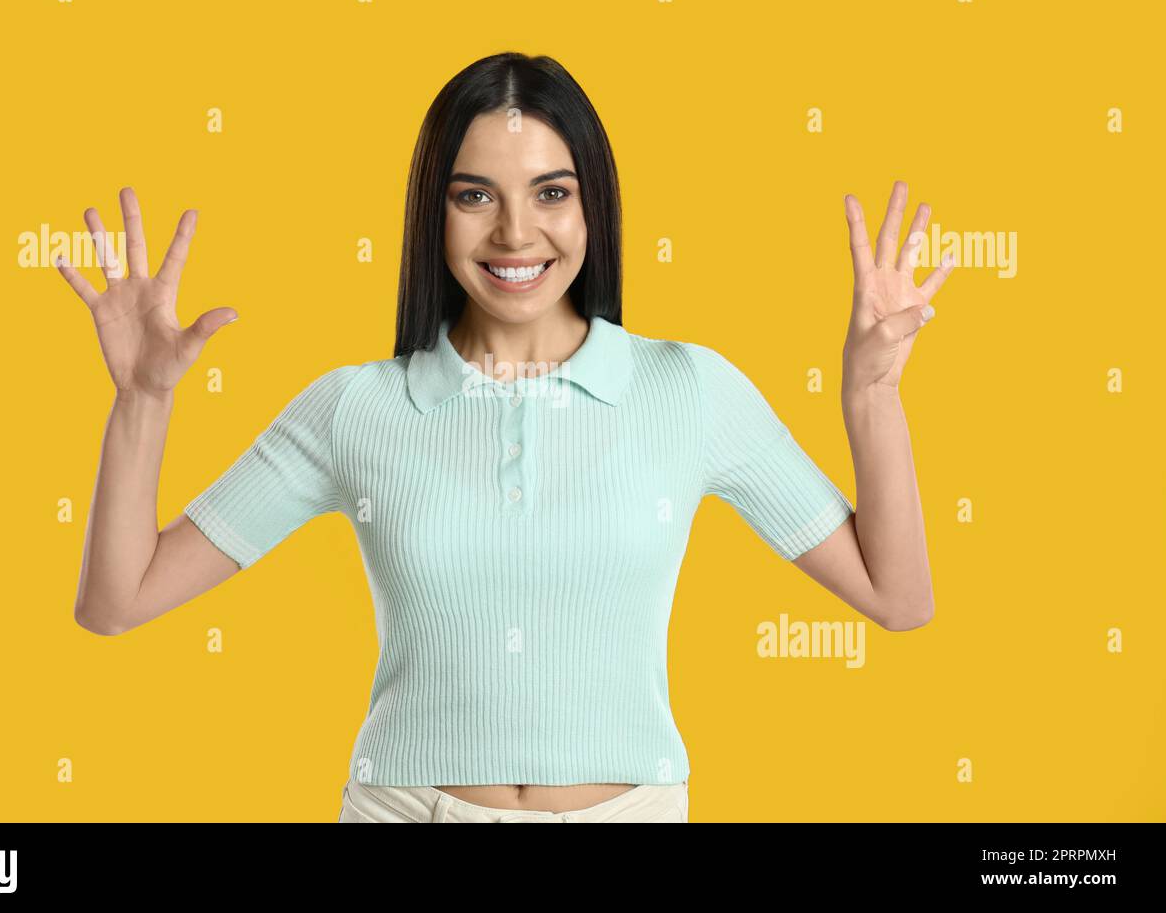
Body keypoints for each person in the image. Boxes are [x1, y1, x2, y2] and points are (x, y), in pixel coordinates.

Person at [58, 52, 955, 823]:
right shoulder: (356, 408)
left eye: (551, 193)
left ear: (591, 206)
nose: (515, 233)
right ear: (432, 214)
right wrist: (141, 400)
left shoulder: (688, 390)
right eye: (474, 195)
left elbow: (898, 597)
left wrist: (871, 393)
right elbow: (118, 601)